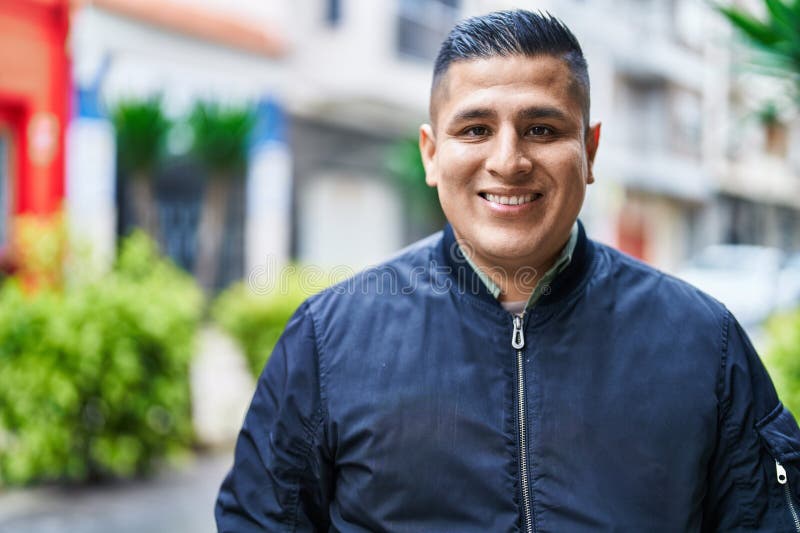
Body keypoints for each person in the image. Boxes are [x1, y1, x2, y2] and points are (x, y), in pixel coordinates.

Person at [216, 10, 800, 532]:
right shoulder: (327, 341)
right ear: (431, 153)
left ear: (589, 152)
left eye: (542, 129)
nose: (508, 161)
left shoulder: (703, 343)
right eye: (475, 130)